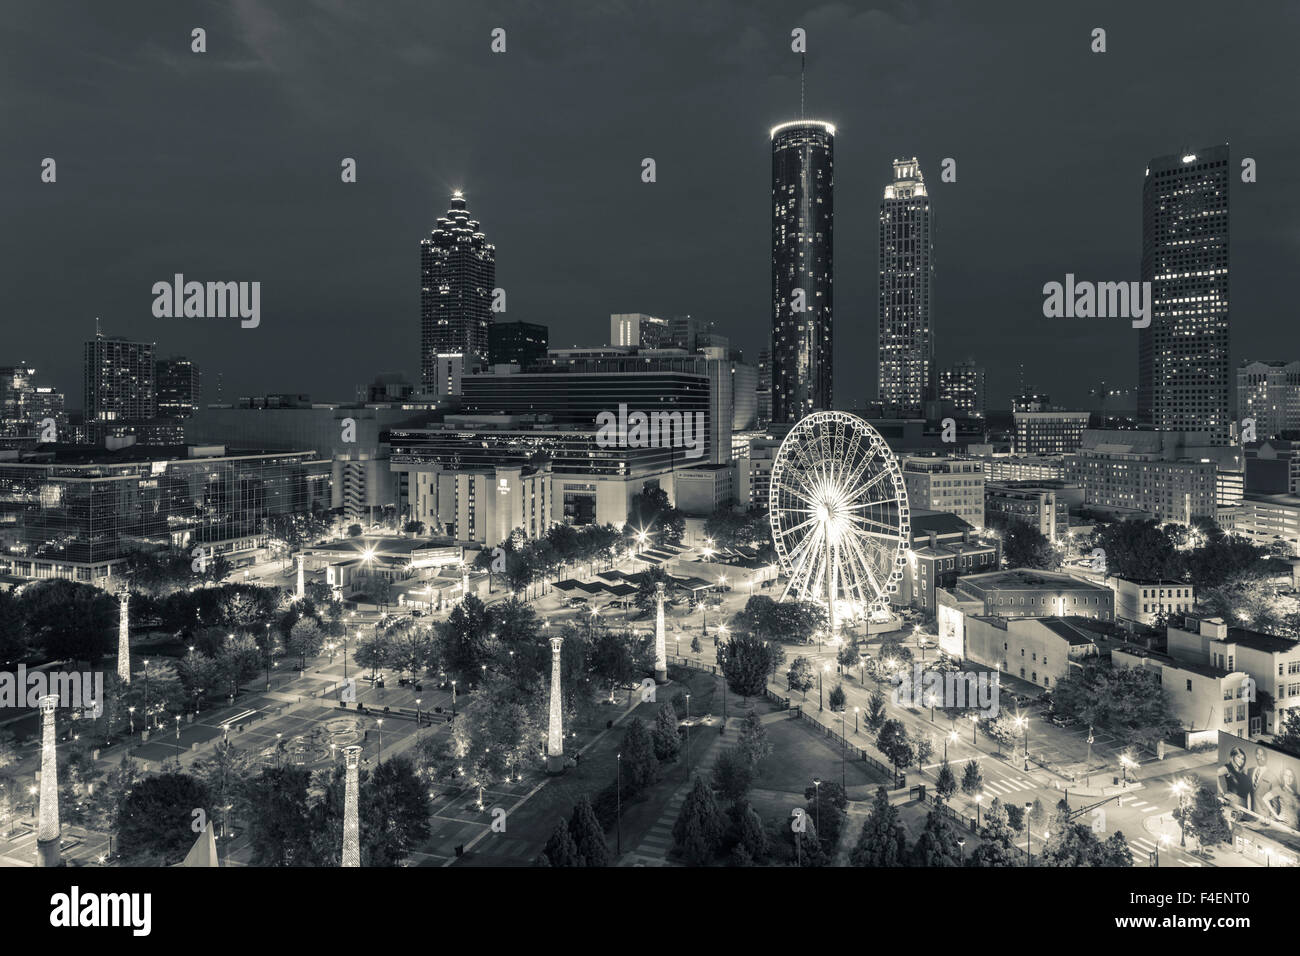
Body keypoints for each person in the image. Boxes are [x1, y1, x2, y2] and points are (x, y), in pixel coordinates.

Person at [1265, 766, 1300, 833]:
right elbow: (1265, 798)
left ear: (1293, 778)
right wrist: (1277, 816)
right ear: (1283, 777)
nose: (1288, 778)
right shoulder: (1280, 789)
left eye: (1291, 776)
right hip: (1284, 827)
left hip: (1295, 829)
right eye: (1286, 775)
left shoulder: (1297, 795)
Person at [1217, 747, 1252, 811]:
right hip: (1232, 804)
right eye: (1238, 757)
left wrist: (1249, 810)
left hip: (1244, 806)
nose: (1241, 760)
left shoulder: (1244, 775)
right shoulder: (1228, 768)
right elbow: (1215, 774)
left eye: (1242, 759)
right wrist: (1221, 792)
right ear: (1233, 757)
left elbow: (1248, 793)